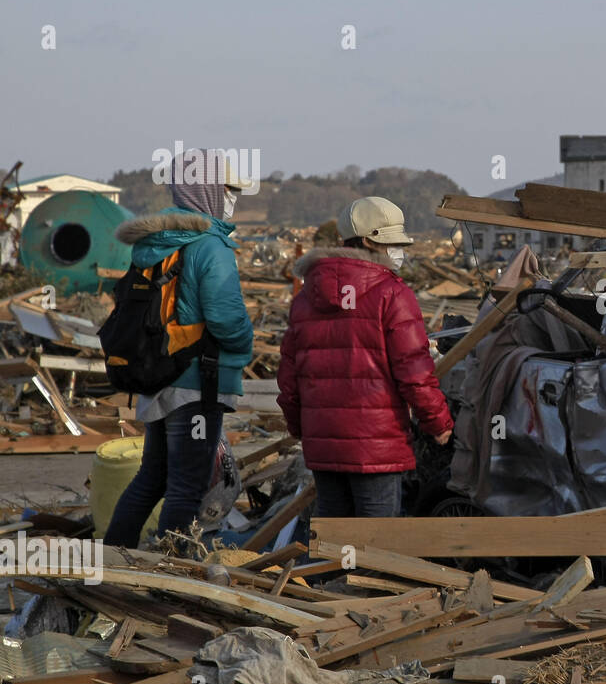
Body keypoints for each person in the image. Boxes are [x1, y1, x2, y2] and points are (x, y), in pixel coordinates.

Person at [104, 156, 254, 546]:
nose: (232, 198)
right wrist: (244, 345)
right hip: (196, 385)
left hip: (159, 377)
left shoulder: (154, 244)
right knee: (187, 486)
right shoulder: (210, 246)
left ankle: (114, 557)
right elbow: (224, 317)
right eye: (229, 189)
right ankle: (171, 567)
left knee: (151, 478)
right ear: (207, 190)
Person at [277, 197, 454, 518]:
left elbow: (289, 379)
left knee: (331, 537)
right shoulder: (393, 294)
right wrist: (437, 422)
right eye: (393, 243)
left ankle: (330, 570)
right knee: (375, 543)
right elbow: (414, 373)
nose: (398, 251)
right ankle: (359, 572)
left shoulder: (305, 297)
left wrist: (302, 428)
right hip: (377, 445)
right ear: (371, 241)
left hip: (323, 444)